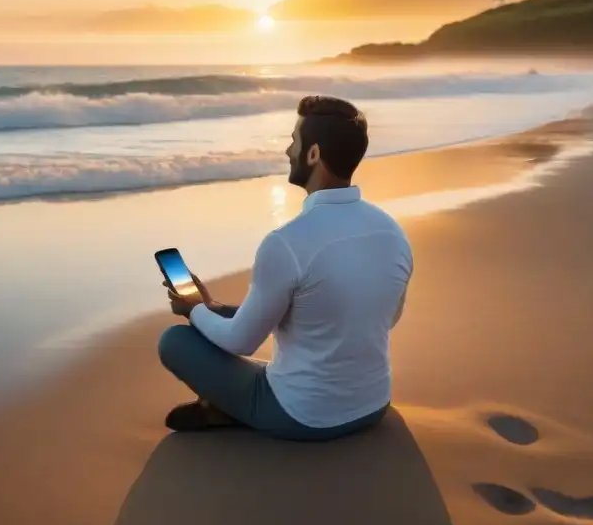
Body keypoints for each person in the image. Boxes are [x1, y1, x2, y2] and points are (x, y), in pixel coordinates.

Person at [157, 95, 414, 441]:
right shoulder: (392, 231)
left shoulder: (287, 242)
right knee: (245, 336)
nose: (288, 151)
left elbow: (242, 341)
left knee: (175, 341)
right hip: (373, 405)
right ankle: (228, 402)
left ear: (313, 154)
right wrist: (215, 309)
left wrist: (195, 311)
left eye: (294, 141)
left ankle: (232, 408)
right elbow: (379, 317)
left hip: (306, 416)